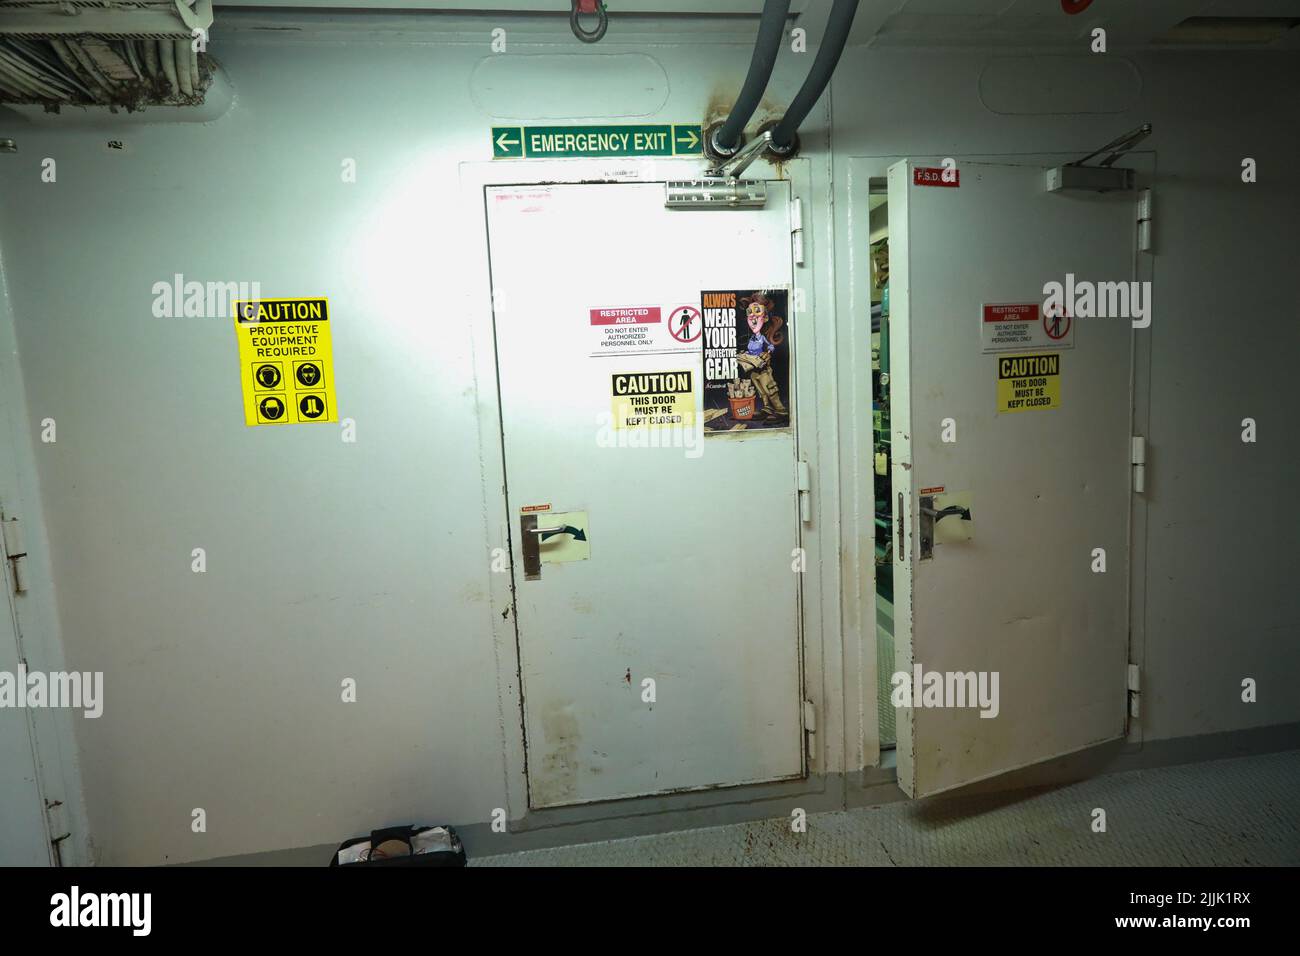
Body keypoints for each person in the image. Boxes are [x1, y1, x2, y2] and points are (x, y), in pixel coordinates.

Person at [735, 293, 789, 423]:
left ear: (764, 318)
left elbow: (770, 347)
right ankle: (767, 408)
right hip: (753, 370)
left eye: (757, 311)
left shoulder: (763, 338)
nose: (752, 316)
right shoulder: (753, 337)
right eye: (749, 312)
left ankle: (781, 411)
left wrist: (767, 354)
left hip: (763, 369)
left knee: (770, 389)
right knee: (761, 391)